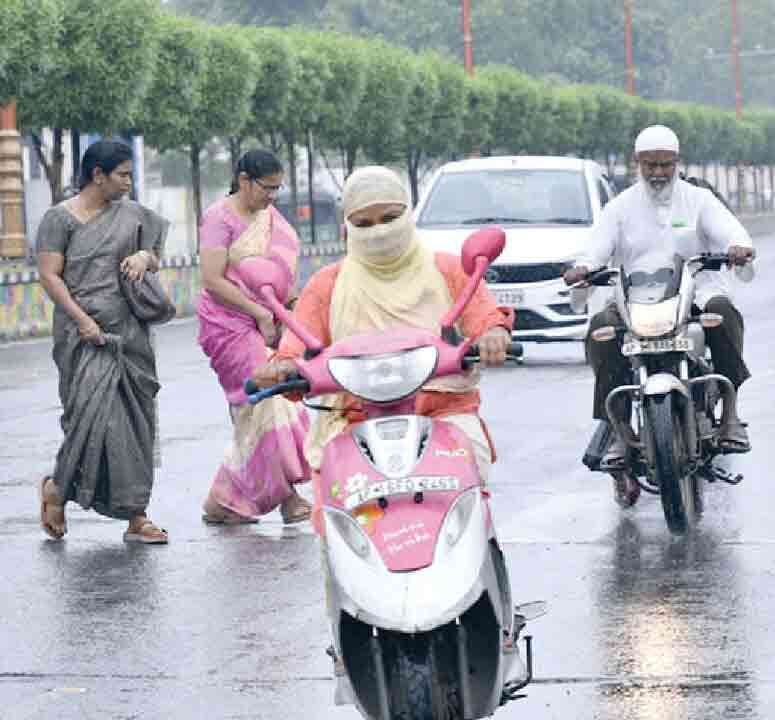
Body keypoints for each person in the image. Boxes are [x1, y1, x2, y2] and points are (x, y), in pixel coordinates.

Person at [250, 165, 513, 494]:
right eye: (363, 224)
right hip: (353, 418)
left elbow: (484, 315)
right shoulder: (327, 286)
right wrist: (282, 369)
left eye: (389, 218)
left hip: (445, 413)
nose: (378, 232)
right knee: (336, 512)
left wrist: (493, 333)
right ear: (347, 227)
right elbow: (295, 349)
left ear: (408, 213)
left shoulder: (447, 269)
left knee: (469, 479)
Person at [564, 124, 755, 475]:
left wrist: (736, 248)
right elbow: (595, 248)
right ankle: (620, 430)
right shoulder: (619, 208)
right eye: (650, 165)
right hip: (633, 299)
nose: (658, 173)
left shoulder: (699, 200)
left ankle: (730, 414)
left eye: (665, 165)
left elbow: (729, 229)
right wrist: (582, 268)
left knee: (723, 313)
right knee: (601, 329)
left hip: (696, 291)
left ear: (677, 162)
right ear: (637, 162)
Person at [35, 139, 170, 544]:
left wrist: (144, 259)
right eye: (123, 174)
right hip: (84, 337)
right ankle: (57, 490)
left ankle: (137, 515)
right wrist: (83, 322)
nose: (130, 182)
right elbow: (49, 275)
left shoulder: (132, 215)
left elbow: (156, 252)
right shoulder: (59, 219)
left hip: (129, 336)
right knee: (89, 421)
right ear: (98, 175)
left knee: (135, 424)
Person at [196, 150, 313, 525]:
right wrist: (260, 312)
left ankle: (233, 498)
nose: (272, 197)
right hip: (226, 323)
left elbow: (280, 274)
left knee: (278, 398)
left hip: (269, 321)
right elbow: (213, 280)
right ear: (244, 181)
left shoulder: (271, 220)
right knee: (266, 400)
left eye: (279, 189)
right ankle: (280, 497)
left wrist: (288, 310)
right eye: (267, 188)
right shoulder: (219, 218)